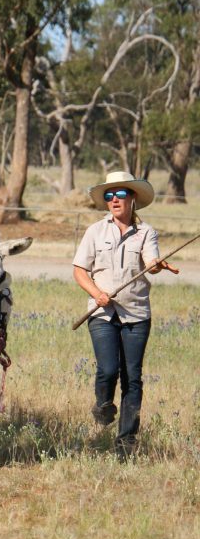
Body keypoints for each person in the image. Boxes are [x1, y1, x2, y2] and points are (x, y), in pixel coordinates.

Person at [72, 171, 178, 458]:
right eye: (109, 195)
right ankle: (103, 405)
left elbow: (150, 262)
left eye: (120, 194)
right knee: (108, 370)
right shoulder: (95, 231)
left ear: (133, 198)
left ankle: (126, 443)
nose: (114, 200)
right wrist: (96, 293)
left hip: (137, 314)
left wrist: (157, 265)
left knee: (132, 377)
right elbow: (79, 271)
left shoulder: (146, 232)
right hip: (102, 312)